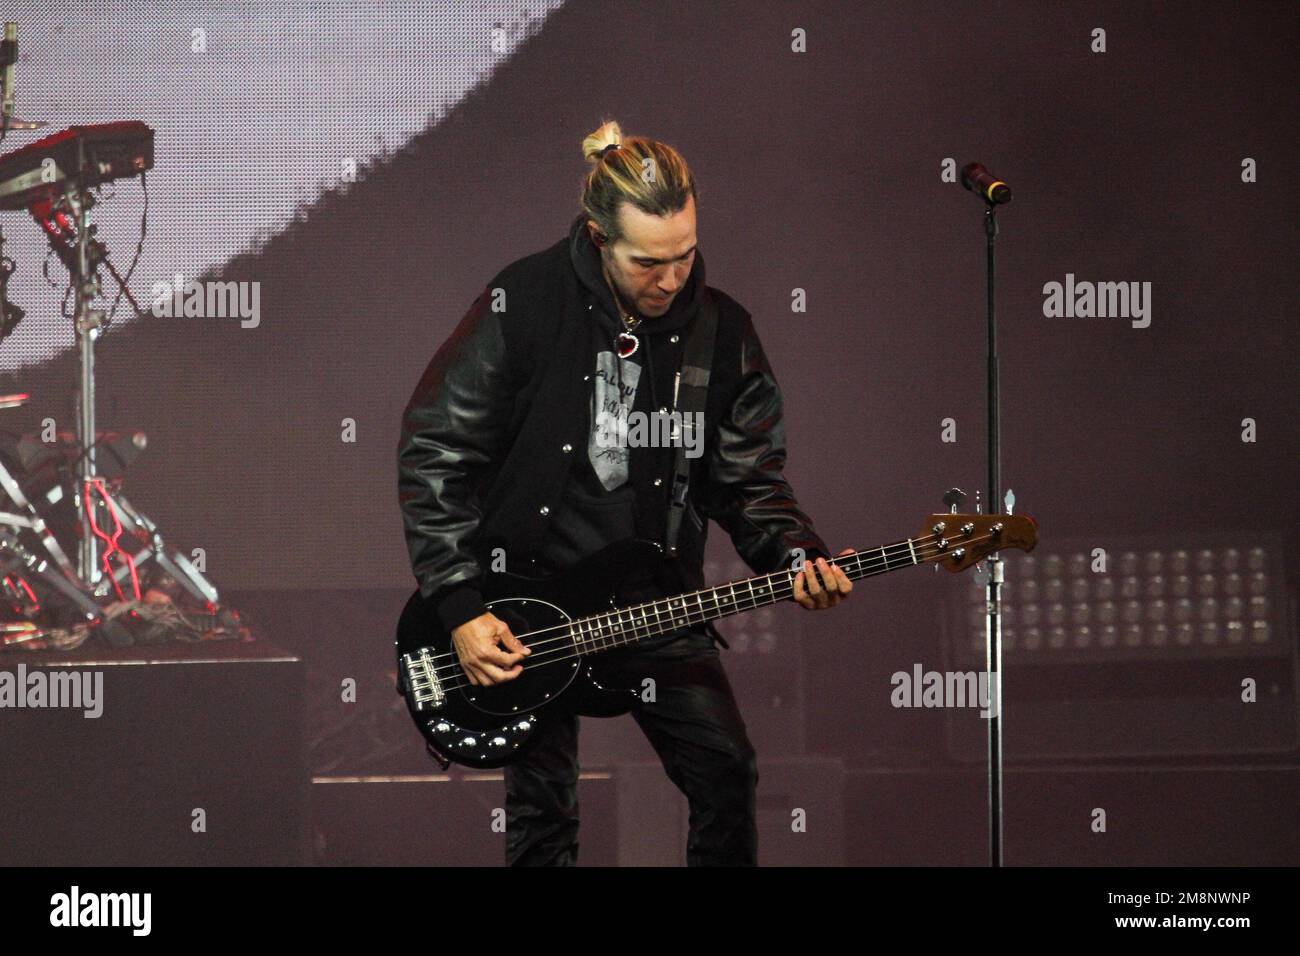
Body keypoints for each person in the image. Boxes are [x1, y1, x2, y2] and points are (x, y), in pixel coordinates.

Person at [397, 120, 852, 866]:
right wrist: (459, 605)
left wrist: (796, 552)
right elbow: (434, 448)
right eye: (648, 263)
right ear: (599, 237)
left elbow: (747, 480)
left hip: (652, 600)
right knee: (544, 817)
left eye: (685, 256)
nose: (671, 280)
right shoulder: (526, 300)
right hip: (522, 602)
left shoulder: (722, 331)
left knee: (727, 775)